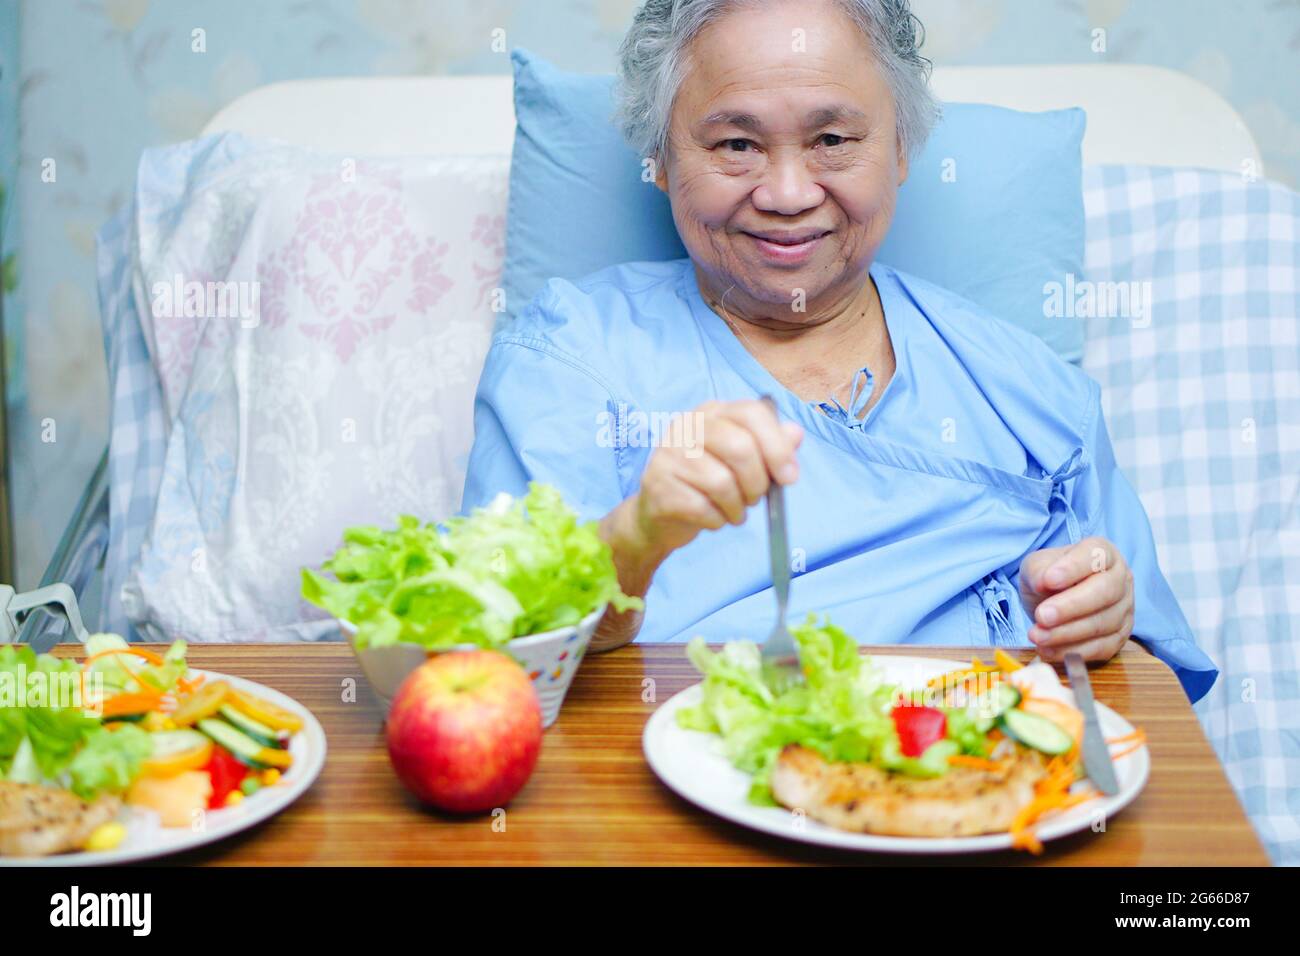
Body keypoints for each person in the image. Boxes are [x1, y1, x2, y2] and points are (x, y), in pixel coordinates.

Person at [462, 0, 1217, 701]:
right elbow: (494, 656)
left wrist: (1103, 620)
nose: (788, 192)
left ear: (901, 151)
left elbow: (1145, 689)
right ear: (659, 160)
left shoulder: (1033, 393)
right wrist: (636, 536)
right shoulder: (569, 357)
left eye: (832, 140)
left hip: (969, 801)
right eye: (735, 143)